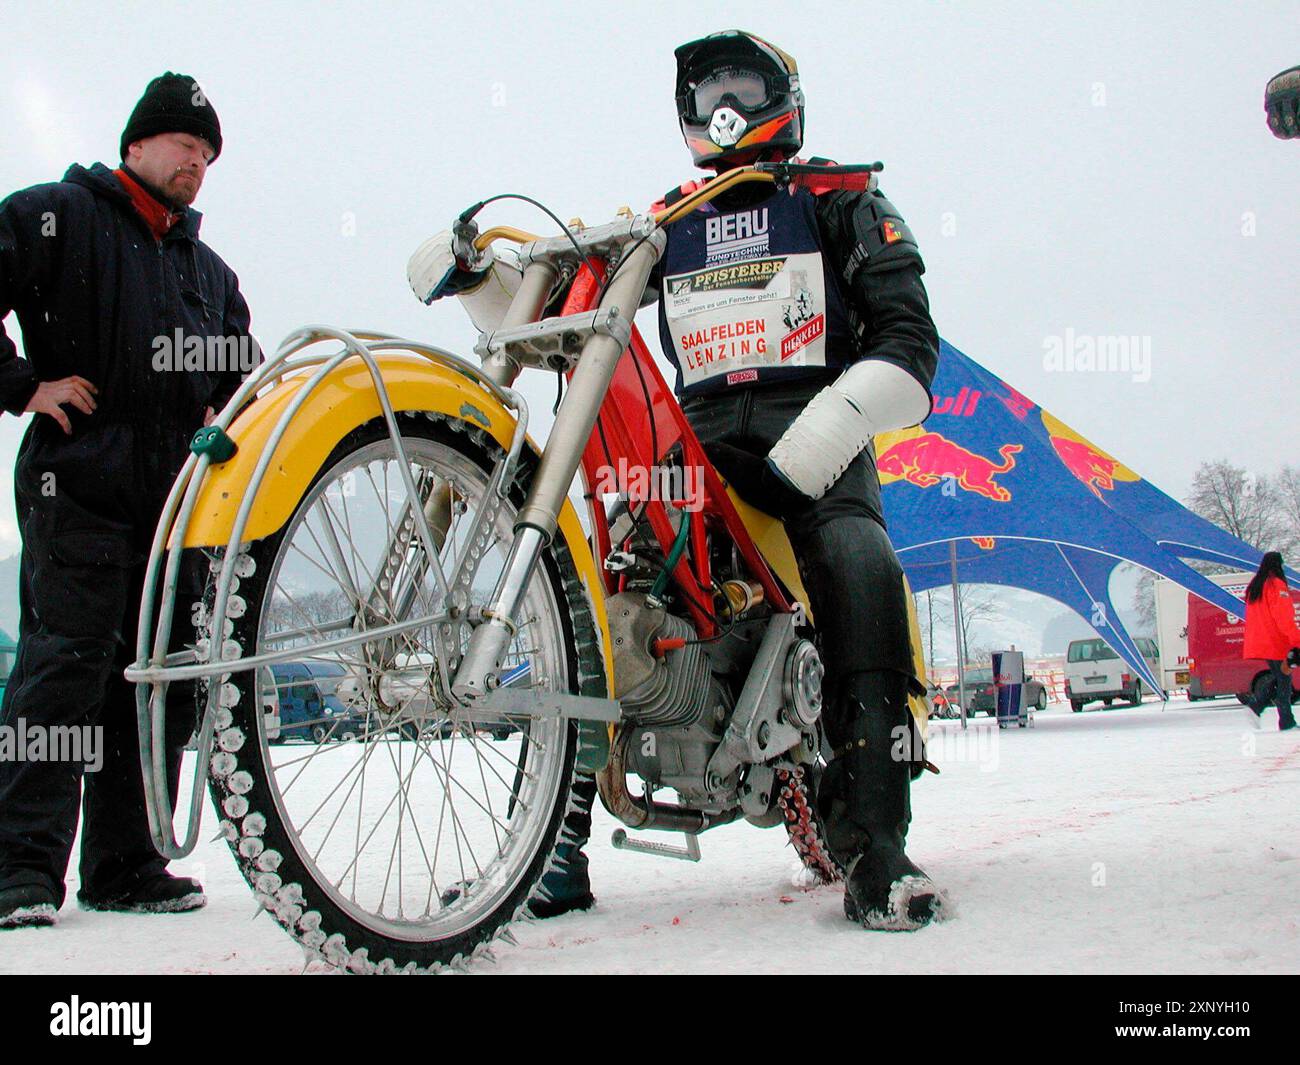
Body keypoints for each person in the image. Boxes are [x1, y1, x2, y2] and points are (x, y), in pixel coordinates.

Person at [408, 30, 943, 930]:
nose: (724, 108)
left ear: (785, 95)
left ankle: (880, 845)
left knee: (860, 564)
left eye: (742, 85)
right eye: (706, 93)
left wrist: (812, 451)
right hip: (687, 455)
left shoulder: (840, 196)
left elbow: (909, 347)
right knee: (593, 596)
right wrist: (476, 283)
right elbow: (565, 315)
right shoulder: (668, 219)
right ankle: (550, 851)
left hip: (814, 443)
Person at [0, 73, 257, 928]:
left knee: (155, 686)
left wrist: (233, 424)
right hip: (77, 486)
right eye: (186, 146)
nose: (197, 165)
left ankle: (126, 863)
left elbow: (244, 379)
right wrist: (23, 384)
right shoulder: (58, 218)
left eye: (208, 154)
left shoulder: (210, 274)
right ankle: (19, 869)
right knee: (64, 667)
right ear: (137, 145)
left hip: (176, 510)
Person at [1241, 552, 1300, 731]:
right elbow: (1284, 616)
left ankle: (1280, 717)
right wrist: (1296, 639)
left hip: (1261, 640)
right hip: (1276, 640)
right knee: (1283, 680)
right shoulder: (1276, 585)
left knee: (1282, 679)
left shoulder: (1256, 585)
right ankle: (1264, 711)